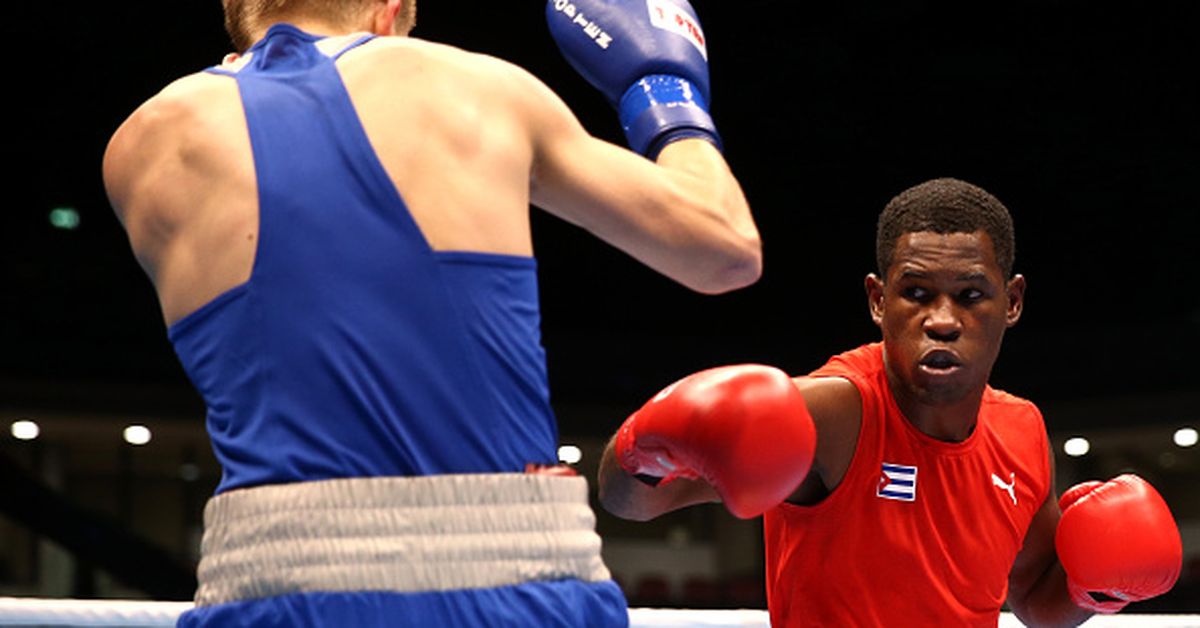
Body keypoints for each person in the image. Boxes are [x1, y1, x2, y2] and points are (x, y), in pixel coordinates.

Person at [102, 0, 760, 625]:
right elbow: (724, 252)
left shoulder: (141, 146)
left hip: (267, 579)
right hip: (510, 576)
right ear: (389, 16)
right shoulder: (469, 85)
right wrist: (663, 89)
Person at [597, 178, 1183, 626]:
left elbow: (1034, 599)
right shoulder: (832, 413)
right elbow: (630, 503)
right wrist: (643, 445)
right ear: (879, 301)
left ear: (1012, 301)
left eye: (972, 295)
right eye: (917, 294)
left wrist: (1098, 592)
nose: (943, 321)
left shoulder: (1023, 429)